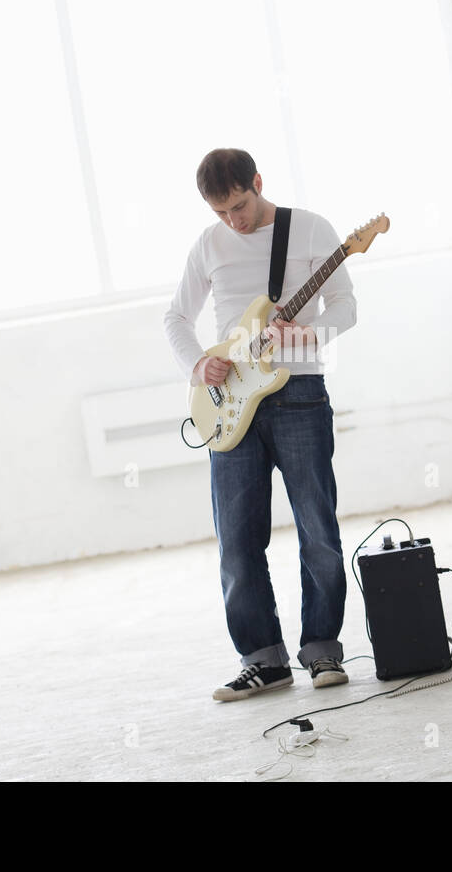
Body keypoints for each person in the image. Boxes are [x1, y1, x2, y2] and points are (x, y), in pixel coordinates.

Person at [163, 148, 357, 702]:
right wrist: (199, 364)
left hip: (298, 394)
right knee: (237, 540)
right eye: (221, 212)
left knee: (317, 529)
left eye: (240, 206)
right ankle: (263, 661)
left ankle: (322, 650)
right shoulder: (209, 243)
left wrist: (305, 335)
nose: (234, 221)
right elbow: (175, 317)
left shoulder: (312, 230)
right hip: (228, 402)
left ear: (258, 182)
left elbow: (345, 305)